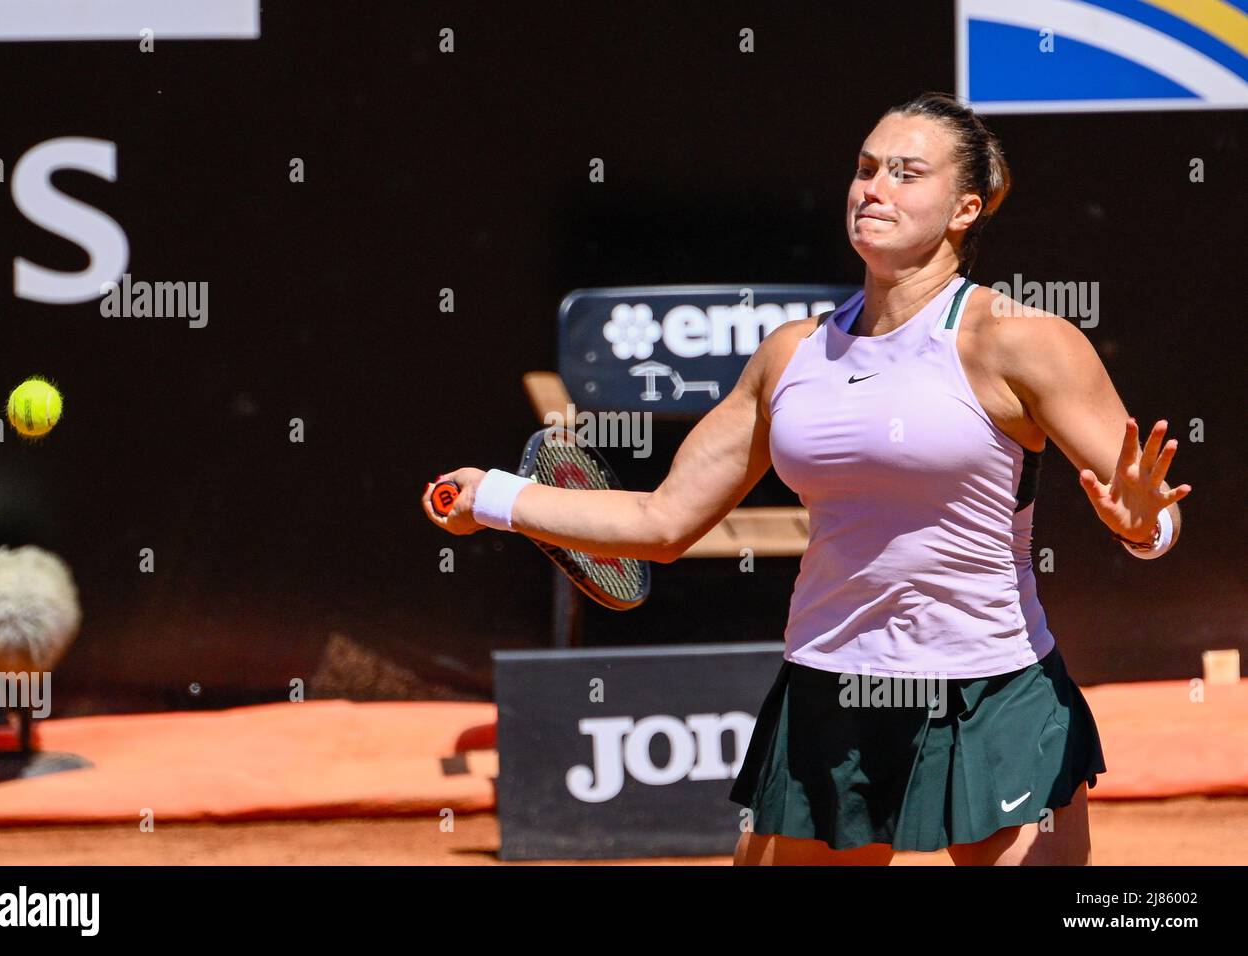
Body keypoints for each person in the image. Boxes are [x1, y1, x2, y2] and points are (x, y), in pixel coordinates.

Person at [422, 91, 1191, 866]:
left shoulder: (1024, 342)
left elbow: (1149, 512)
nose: (873, 187)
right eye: (864, 169)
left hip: (992, 691)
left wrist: (1142, 528)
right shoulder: (790, 354)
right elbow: (662, 522)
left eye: (904, 172)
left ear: (963, 209)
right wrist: (492, 497)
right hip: (832, 691)